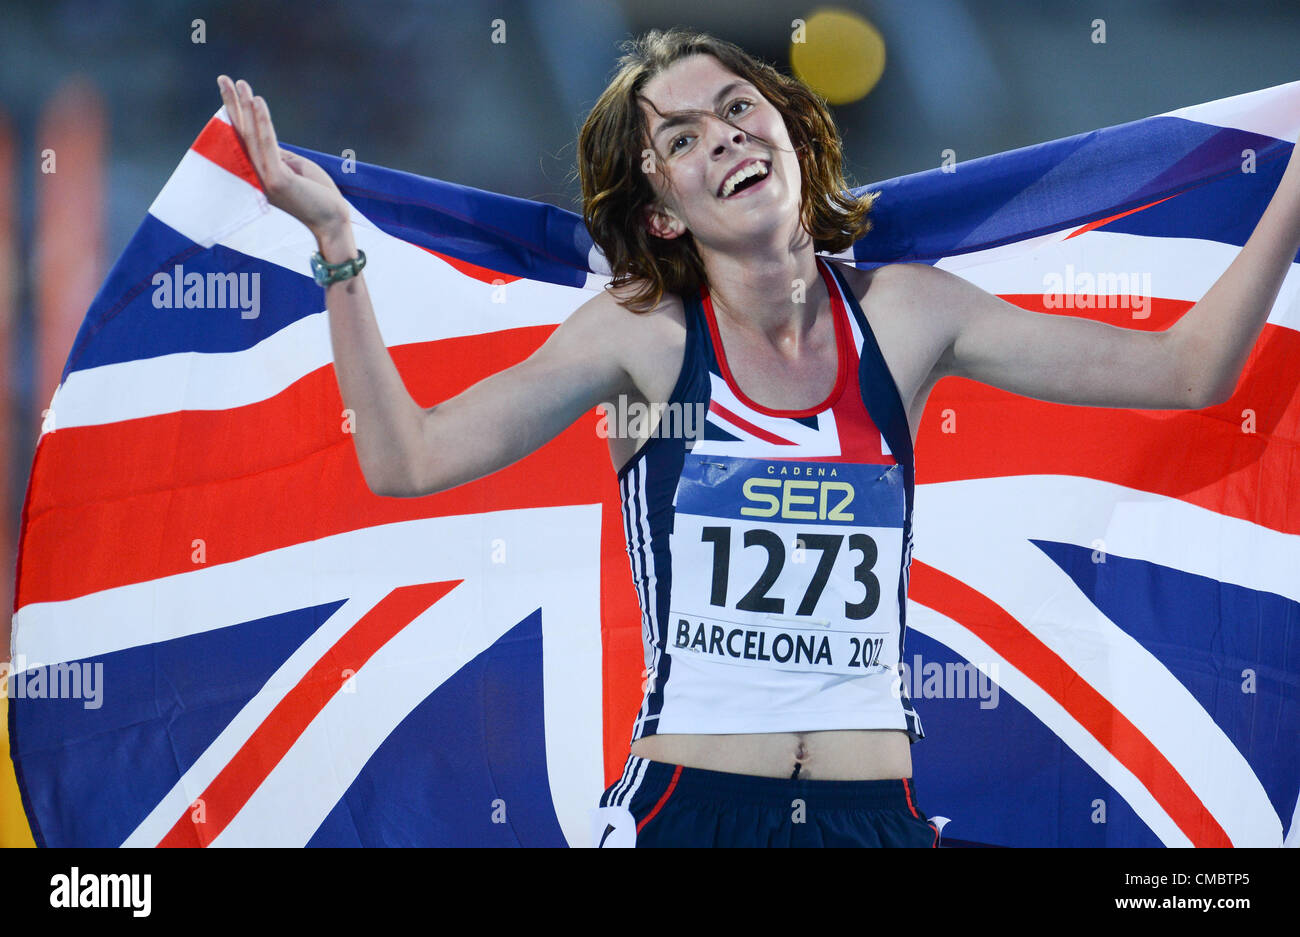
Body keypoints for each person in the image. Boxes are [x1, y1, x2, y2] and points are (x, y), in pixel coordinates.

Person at [216, 27, 1300, 848]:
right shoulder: (642, 336)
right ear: (661, 213)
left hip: (877, 811)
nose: (723, 136)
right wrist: (337, 248)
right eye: (680, 139)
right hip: (693, 810)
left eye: (737, 108)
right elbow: (405, 459)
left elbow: (1188, 371)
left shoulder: (908, 315)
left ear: (787, 130)